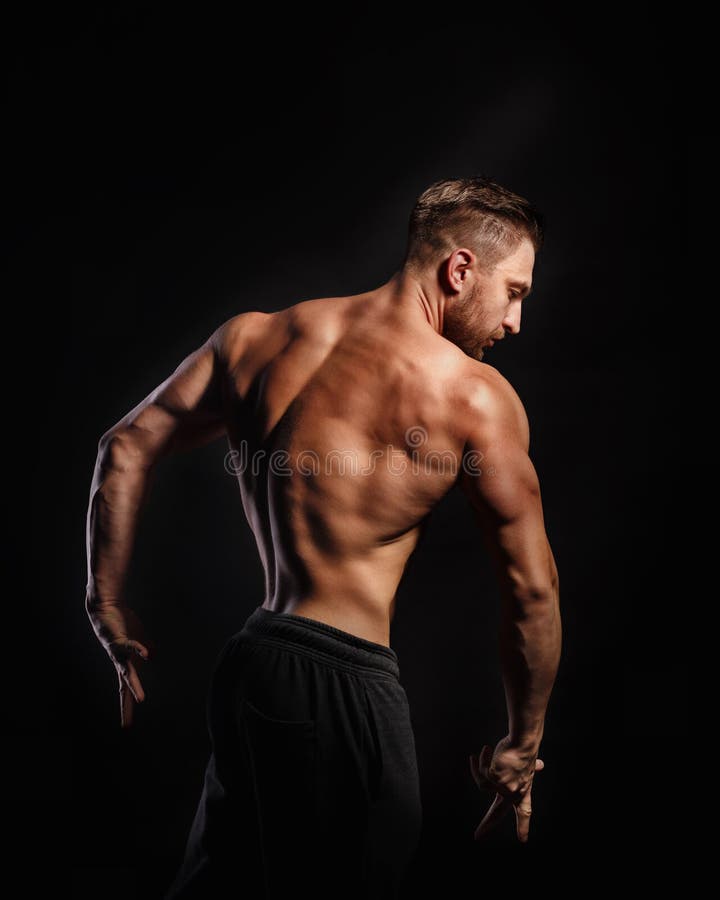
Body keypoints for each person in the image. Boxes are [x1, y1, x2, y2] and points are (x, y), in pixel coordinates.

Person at [85, 176, 562, 898]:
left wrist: (105, 602)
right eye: (516, 292)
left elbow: (124, 445)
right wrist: (522, 746)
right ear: (460, 270)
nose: (516, 321)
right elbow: (533, 590)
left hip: (252, 664)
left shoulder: (252, 337)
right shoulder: (472, 397)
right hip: (345, 685)